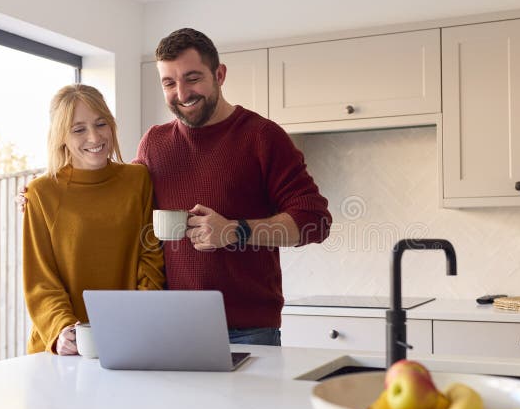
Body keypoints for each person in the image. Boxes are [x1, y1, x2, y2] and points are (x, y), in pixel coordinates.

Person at [20, 29, 331, 346]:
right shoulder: (155, 143)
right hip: (168, 329)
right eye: (169, 83)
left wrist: (236, 231)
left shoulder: (263, 137)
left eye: (192, 78)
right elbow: (112, 189)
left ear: (219, 75)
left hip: (246, 332)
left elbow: (316, 221)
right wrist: (47, 191)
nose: (182, 93)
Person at [23, 84, 165, 355]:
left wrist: (140, 316)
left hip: (127, 339)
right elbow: (40, 279)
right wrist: (62, 329)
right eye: (79, 129)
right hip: (63, 348)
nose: (94, 136)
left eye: (101, 124)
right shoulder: (41, 193)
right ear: (61, 136)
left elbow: (151, 257)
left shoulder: (137, 180)